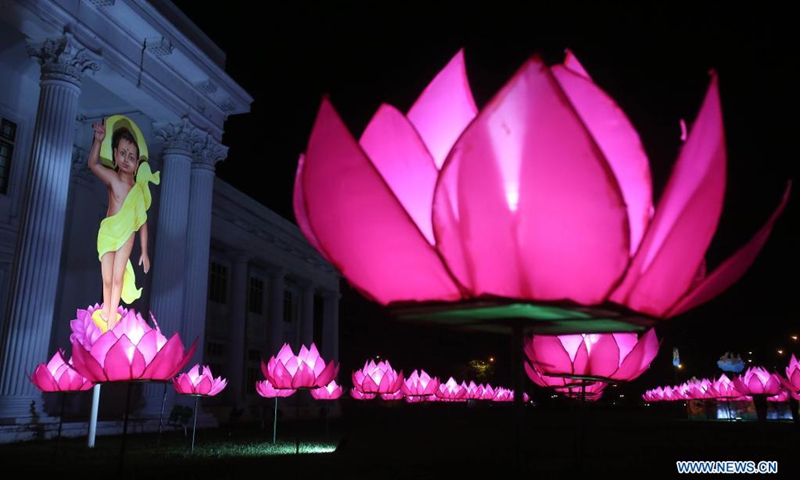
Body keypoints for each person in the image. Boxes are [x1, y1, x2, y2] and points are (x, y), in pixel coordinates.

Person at [87, 117, 160, 332]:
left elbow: (143, 222)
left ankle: (111, 323)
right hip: (108, 232)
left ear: (137, 163)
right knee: (107, 279)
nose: (127, 159)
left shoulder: (137, 191)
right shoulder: (112, 178)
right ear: (115, 156)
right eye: (122, 154)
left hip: (127, 234)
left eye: (132, 156)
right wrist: (98, 140)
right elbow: (92, 164)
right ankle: (108, 313)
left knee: (117, 276)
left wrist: (144, 252)